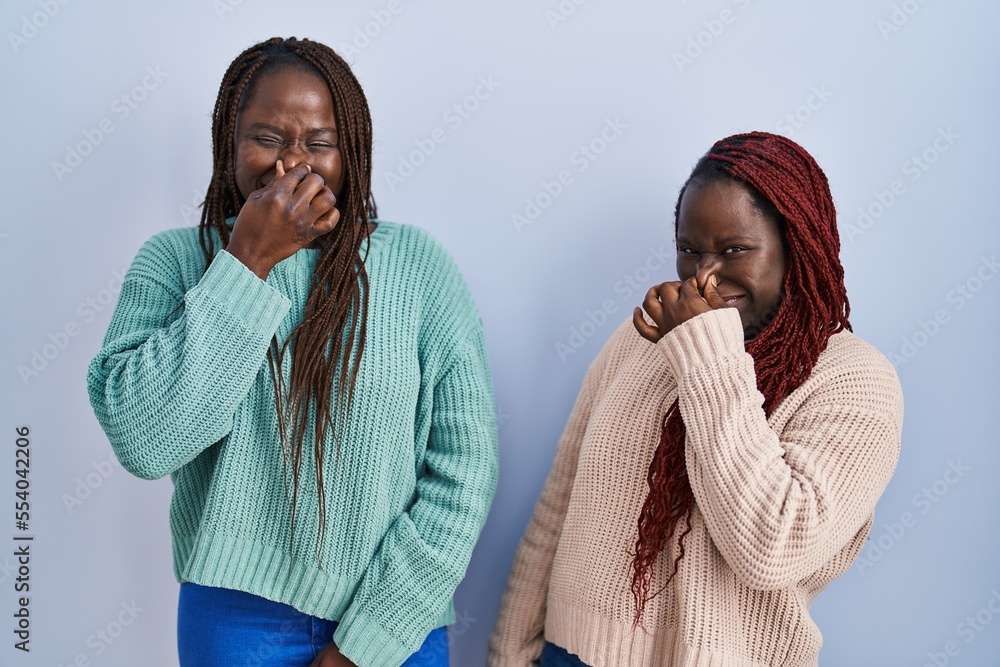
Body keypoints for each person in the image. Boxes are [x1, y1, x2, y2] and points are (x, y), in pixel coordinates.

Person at [86, 37, 498, 667]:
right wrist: (246, 262)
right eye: (267, 138)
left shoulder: (419, 269)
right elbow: (146, 440)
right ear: (230, 140)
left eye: (319, 142)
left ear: (351, 150)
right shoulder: (175, 263)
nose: (291, 165)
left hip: (395, 623)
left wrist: (366, 643)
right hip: (234, 621)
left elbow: (464, 473)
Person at [488, 132, 904, 667]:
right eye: (689, 250)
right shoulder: (638, 342)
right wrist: (510, 656)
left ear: (796, 245)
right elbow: (558, 509)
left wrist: (706, 352)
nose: (704, 275)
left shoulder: (854, 379)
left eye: (734, 250)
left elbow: (771, 545)